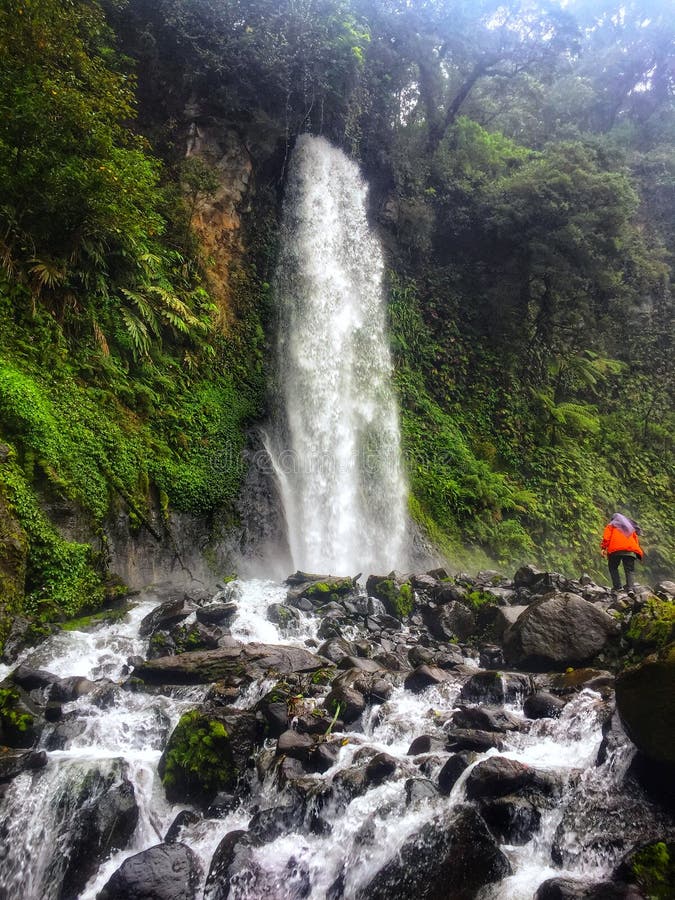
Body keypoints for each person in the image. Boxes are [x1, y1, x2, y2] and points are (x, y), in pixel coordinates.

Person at [600, 512, 643, 594]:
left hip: (615, 550)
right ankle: (630, 589)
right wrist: (637, 552)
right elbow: (635, 541)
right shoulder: (629, 527)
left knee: (613, 567)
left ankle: (618, 587)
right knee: (629, 570)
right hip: (630, 550)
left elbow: (606, 538)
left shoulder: (611, 525)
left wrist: (603, 548)